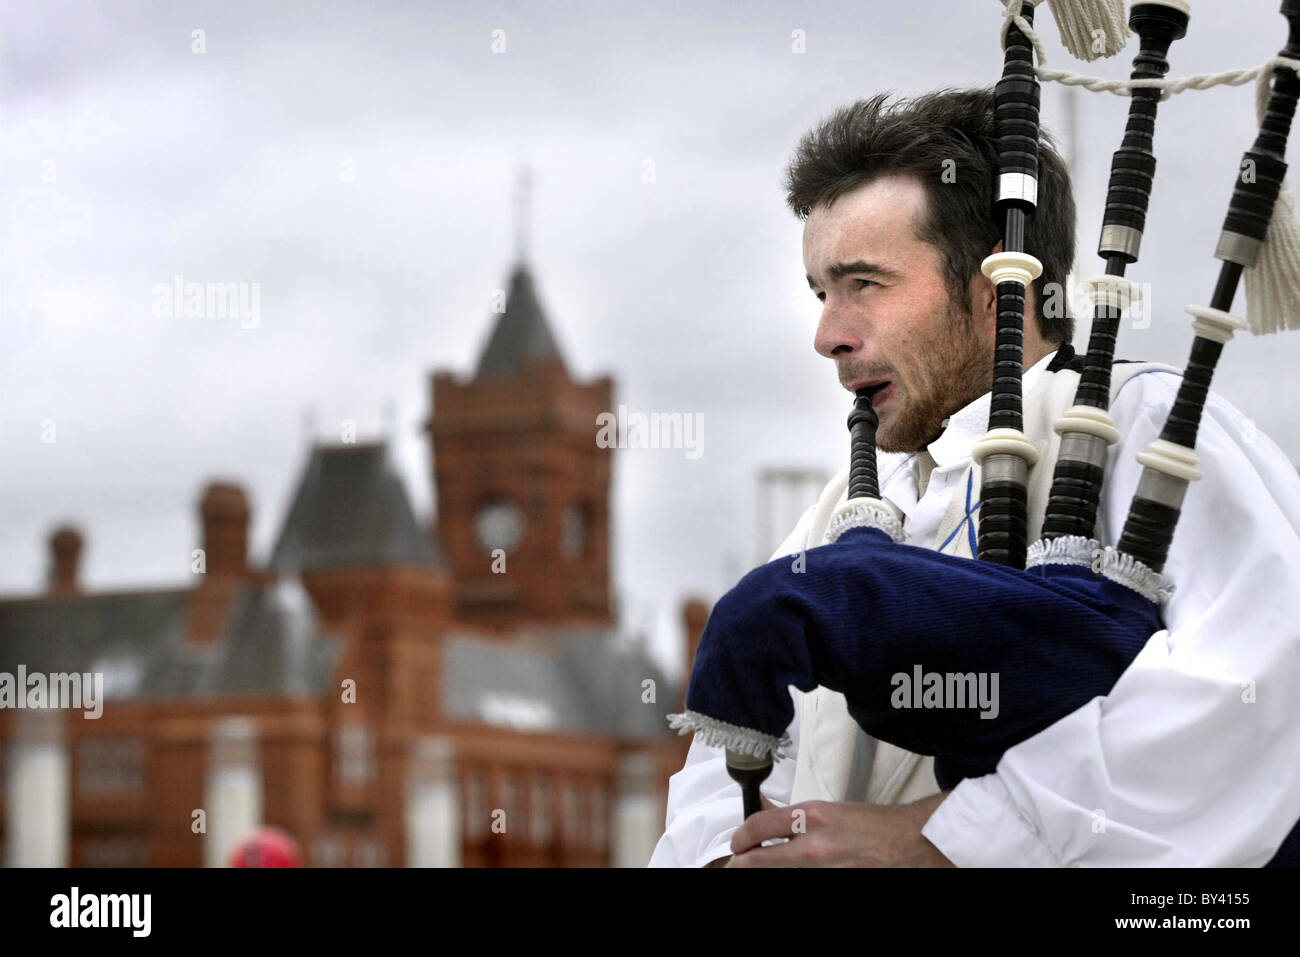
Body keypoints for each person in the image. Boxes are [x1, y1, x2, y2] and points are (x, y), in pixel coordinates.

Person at [648, 88, 1300, 867]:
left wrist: (941, 840)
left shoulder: (1146, 420)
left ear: (998, 294)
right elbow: (721, 785)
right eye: (821, 293)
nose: (828, 335)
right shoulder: (842, 515)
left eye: (865, 284)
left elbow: (1258, 699)